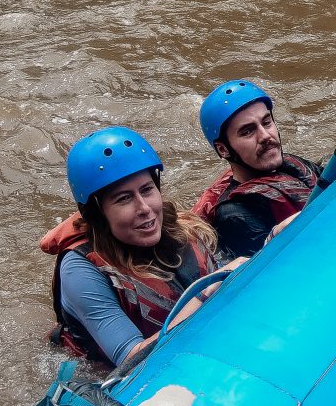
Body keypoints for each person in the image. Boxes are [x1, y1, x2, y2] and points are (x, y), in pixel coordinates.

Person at [41, 126, 221, 369]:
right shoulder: (79, 270)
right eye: (124, 198)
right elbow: (131, 359)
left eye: (147, 190)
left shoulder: (180, 227)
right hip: (109, 375)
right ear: (97, 214)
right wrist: (205, 296)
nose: (144, 208)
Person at [192, 79, 321, 259]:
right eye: (247, 132)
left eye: (266, 122)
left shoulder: (291, 164)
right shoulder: (233, 214)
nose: (265, 136)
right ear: (223, 149)